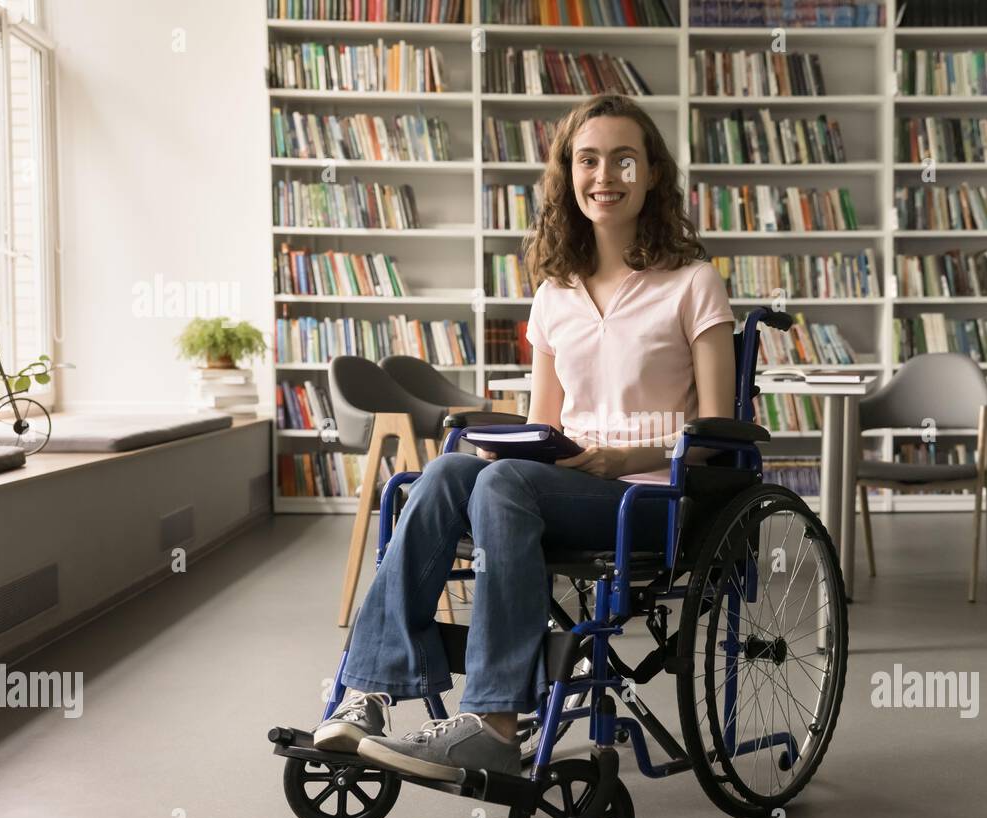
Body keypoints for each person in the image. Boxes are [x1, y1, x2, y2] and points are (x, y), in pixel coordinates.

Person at [312, 93, 736, 780]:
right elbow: (547, 425)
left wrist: (625, 456)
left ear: (652, 172)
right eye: (588, 160)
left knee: (504, 484)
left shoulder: (692, 283)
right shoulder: (554, 293)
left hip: (651, 497)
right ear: (568, 174)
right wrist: (508, 446)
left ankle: (496, 723)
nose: (606, 175)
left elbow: (716, 429)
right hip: (564, 483)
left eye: (624, 159)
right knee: (449, 473)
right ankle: (368, 692)